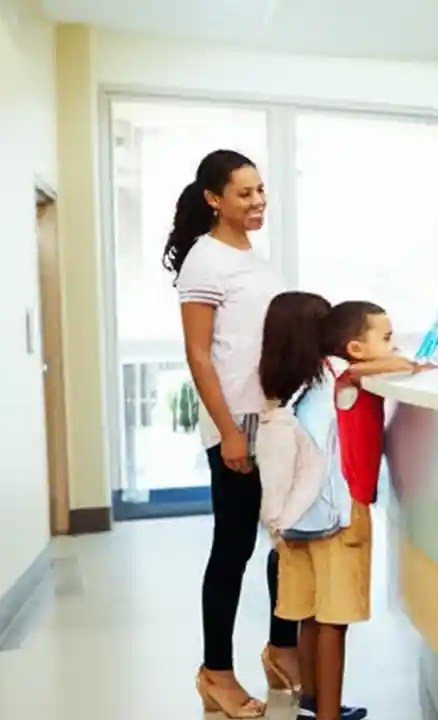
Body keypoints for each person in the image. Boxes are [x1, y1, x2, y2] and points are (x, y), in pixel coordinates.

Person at [166, 149, 299, 718]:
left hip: (270, 417)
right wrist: (228, 433)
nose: (258, 201)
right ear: (214, 199)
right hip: (237, 424)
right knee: (234, 548)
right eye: (244, 193)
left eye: (261, 190)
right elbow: (199, 355)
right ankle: (215, 671)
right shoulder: (205, 260)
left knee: (288, 541)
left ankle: (281, 649)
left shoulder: (254, 258)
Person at [257, 297, 426, 720]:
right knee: (334, 620)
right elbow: (383, 367)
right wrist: (414, 364)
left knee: (311, 615)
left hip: (295, 519)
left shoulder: (287, 384)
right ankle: (329, 714)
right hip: (340, 511)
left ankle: (311, 705)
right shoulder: (340, 377)